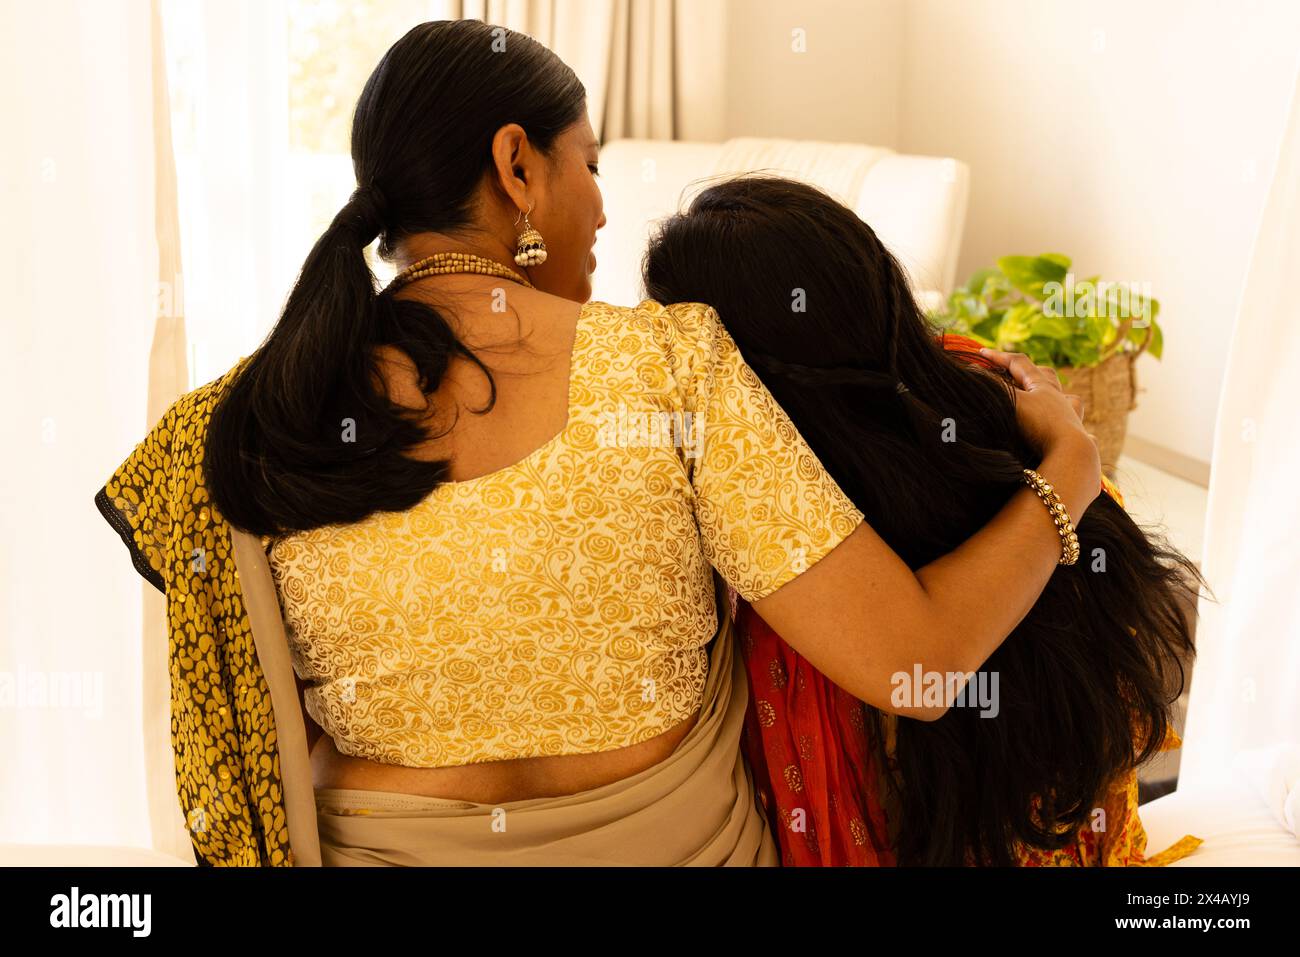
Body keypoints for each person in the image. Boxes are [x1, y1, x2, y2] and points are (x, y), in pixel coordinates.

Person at [94, 21, 1100, 866]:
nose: (605, 205)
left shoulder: (242, 422)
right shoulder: (670, 363)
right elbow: (910, 664)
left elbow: (256, 744)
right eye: (590, 163)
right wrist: (1069, 475)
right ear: (515, 165)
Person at [641, 174, 1205, 866]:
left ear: (743, 382)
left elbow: (927, 670)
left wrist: (1071, 470)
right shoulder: (1016, 416)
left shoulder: (786, 532)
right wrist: (1071, 462)